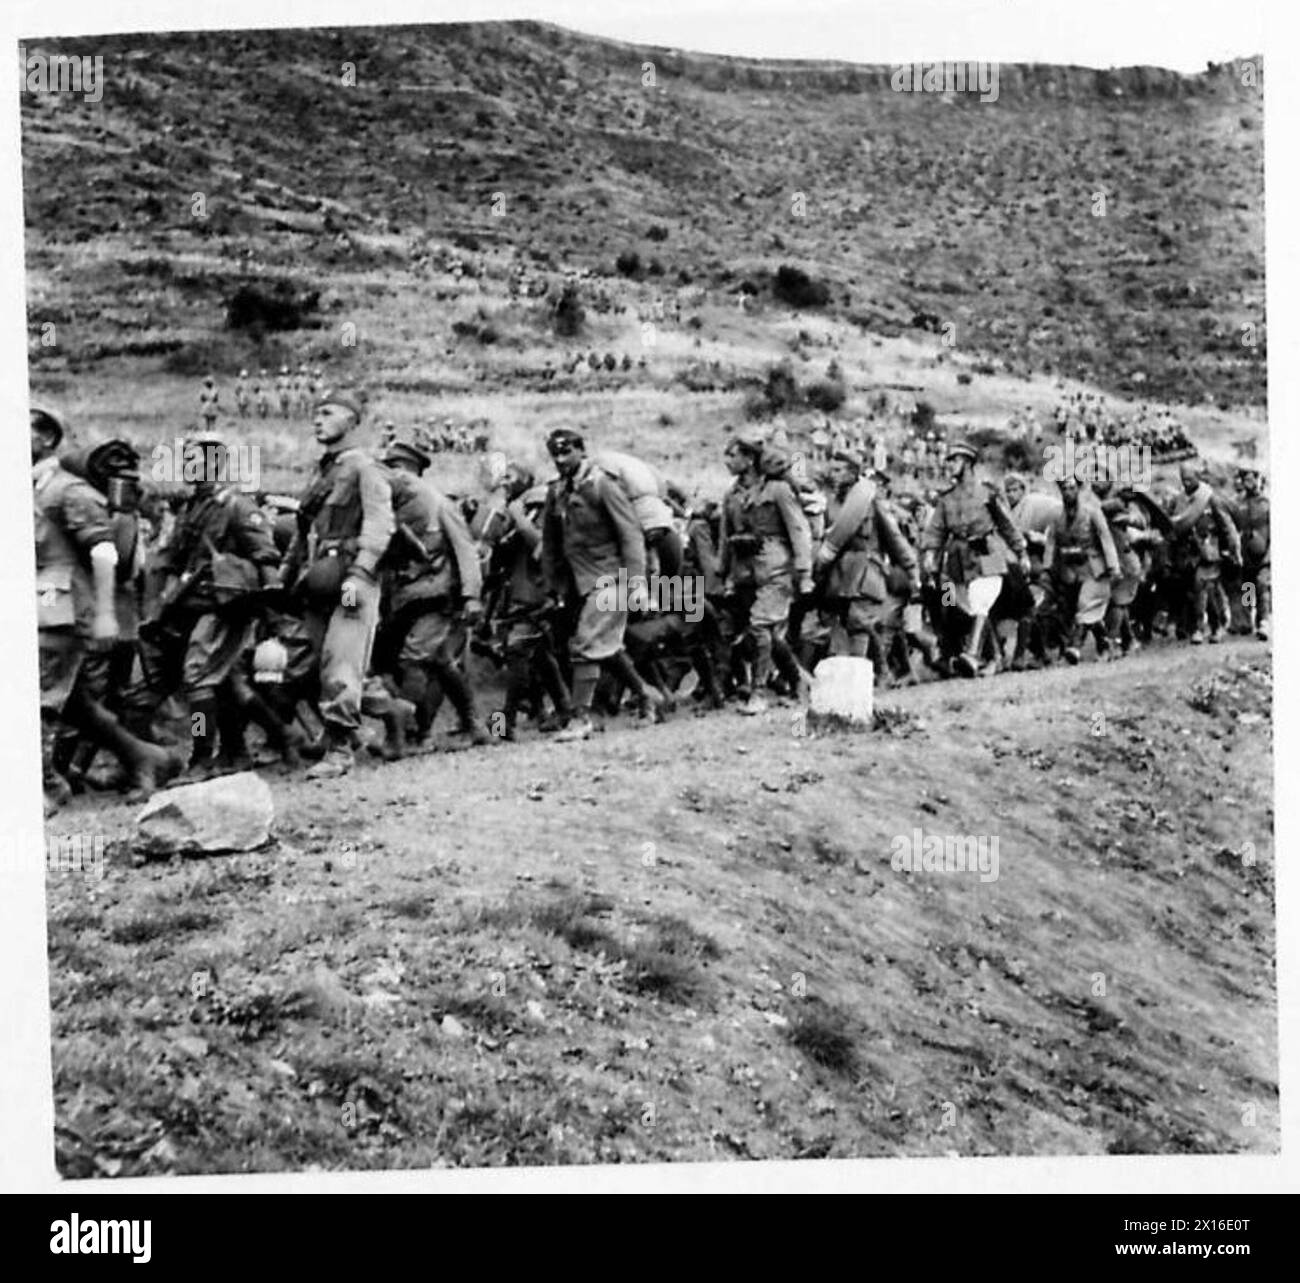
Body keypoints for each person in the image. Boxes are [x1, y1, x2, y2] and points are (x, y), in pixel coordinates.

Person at [33, 408, 179, 811]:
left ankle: (47, 784)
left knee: (46, 699)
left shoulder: (68, 491)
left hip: (62, 611)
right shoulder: (33, 487)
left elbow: (107, 554)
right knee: (79, 705)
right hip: (44, 607)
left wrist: (105, 617)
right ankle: (143, 757)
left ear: (46, 437)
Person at [282, 389, 395, 777]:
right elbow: (305, 532)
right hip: (319, 578)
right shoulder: (322, 472)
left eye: (328, 413)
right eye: (315, 413)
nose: (317, 419)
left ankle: (341, 749)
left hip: (351, 579)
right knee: (308, 661)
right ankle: (391, 714)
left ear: (351, 421)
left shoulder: (365, 467)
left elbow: (381, 524)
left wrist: (360, 573)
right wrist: (287, 577)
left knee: (340, 661)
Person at [540, 428, 663, 741]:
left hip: (612, 578)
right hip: (580, 582)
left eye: (566, 452)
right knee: (606, 646)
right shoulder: (557, 491)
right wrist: (553, 585)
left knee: (585, 643)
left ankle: (581, 718)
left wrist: (638, 584)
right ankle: (647, 694)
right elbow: (552, 543)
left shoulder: (602, 485)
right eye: (555, 454)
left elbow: (631, 535)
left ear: (582, 450)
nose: (560, 460)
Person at [377, 428, 489, 749]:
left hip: (438, 595)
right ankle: (474, 725)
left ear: (411, 469)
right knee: (439, 660)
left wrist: (472, 596)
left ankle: (411, 734)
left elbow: (466, 550)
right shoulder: (393, 510)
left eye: (397, 467)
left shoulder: (439, 504)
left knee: (413, 659)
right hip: (406, 600)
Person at [717, 429, 813, 714]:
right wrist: (724, 573)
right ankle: (799, 683)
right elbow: (725, 535)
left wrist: (804, 572)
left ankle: (759, 694)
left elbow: (798, 530)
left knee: (760, 627)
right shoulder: (731, 494)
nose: (727, 461)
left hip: (776, 568)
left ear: (749, 459)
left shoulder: (778, 490)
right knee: (766, 634)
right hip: (745, 572)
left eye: (732, 455)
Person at [921, 440, 1027, 677]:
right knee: (952, 605)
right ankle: (993, 657)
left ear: (968, 463)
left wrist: (1021, 552)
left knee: (982, 600)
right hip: (955, 561)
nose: (950, 466)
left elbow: (1007, 525)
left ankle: (972, 654)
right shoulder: (945, 499)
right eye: (949, 461)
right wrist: (929, 555)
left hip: (987, 554)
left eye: (955, 461)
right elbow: (935, 531)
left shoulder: (987, 493)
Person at [813, 450, 919, 674]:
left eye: (839, 470)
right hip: (839, 573)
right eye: (832, 470)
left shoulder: (869, 501)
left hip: (866, 569)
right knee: (848, 624)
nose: (834, 475)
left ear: (853, 473)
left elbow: (894, 537)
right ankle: (882, 671)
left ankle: (872, 674)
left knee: (860, 621)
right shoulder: (832, 503)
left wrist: (911, 569)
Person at [1043, 474, 1120, 663]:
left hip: (1093, 568)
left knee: (1085, 604)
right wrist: (1047, 568)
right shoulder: (1057, 516)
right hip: (1071, 570)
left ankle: (1074, 647)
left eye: (1071, 488)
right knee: (1084, 612)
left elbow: (1105, 538)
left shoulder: (1091, 511)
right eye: (1064, 489)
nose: (1067, 492)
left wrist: (1113, 566)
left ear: (1078, 489)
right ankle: (1105, 645)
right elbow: (1051, 542)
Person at [1169, 459, 1240, 643]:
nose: (1186, 483)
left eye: (1190, 479)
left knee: (1203, 586)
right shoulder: (1178, 500)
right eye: (1183, 479)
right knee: (1196, 591)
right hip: (1187, 553)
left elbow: (1227, 526)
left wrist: (1234, 550)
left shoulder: (1210, 498)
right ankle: (1205, 627)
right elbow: (1171, 524)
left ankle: (1206, 628)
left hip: (1209, 551)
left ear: (1198, 477)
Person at [1231, 467, 1270, 641]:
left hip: (1264, 555)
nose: (1249, 483)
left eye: (1251, 479)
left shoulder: (1267, 502)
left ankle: (1264, 622)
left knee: (1262, 585)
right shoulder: (1238, 503)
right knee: (1248, 588)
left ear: (1258, 479)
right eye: (1245, 480)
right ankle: (1246, 621)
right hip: (1246, 555)